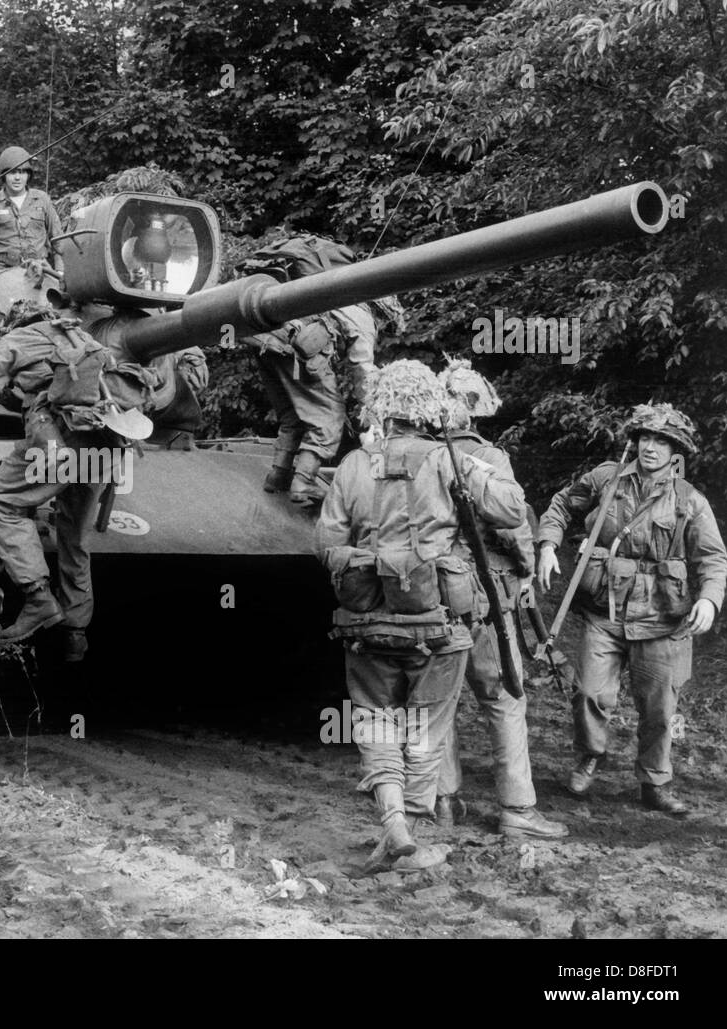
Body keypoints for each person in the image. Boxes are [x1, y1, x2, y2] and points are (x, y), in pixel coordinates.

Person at [316, 360, 526, 872]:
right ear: (430, 408)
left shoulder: (351, 465)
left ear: (381, 410)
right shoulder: (447, 460)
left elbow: (325, 544)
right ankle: (413, 827)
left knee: (376, 723)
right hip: (438, 625)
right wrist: (470, 469)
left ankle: (393, 826)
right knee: (427, 728)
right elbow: (513, 509)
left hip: (367, 621)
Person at [0, 300, 154, 662]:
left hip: (58, 440)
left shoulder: (20, 339)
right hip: (107, 443)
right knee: (74, 533)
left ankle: (37, 598)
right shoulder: (81, 338)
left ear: (13, 323)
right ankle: (75, 634)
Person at [537, 402, 725, 816]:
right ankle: (590, 755)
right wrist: (548, 545)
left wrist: (710, 599)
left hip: (662, 619)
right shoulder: (607, 480)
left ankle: (654, 783)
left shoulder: (688, 500)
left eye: (661, 440)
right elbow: (562, 505)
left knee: (659, 707)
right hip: (604, 611)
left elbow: (713, 557)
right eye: (644, 437)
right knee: (589, 692)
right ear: (634, 441)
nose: (650, 447)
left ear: (675, 450)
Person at [434, 359, 567, 838]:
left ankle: (443, 802)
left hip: (431, 596)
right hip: (485, 595)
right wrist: (526, 569)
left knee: (439, 704)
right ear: (473, 410)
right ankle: (516, 811)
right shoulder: (488, 457)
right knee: (504, 697)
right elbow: (513, 521)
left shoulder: (411, 455)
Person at [237, 237, 403, 504]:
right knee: (329, 416)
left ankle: (278, 475)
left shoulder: (334, 292)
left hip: (267, 342)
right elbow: (362, 372)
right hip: (300, 348)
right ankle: (303, 482)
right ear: (383, 312)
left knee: (293, 414)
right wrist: (373, 414)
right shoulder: (363, 316)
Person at [0, 147, 62, 269]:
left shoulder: (42, 199)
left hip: (40, 271)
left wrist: (60, 270)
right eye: (12, 172)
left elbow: (58, 238)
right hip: (3, 272)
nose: (18, 178)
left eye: (22, 172)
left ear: (28, 175)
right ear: (4, 175)